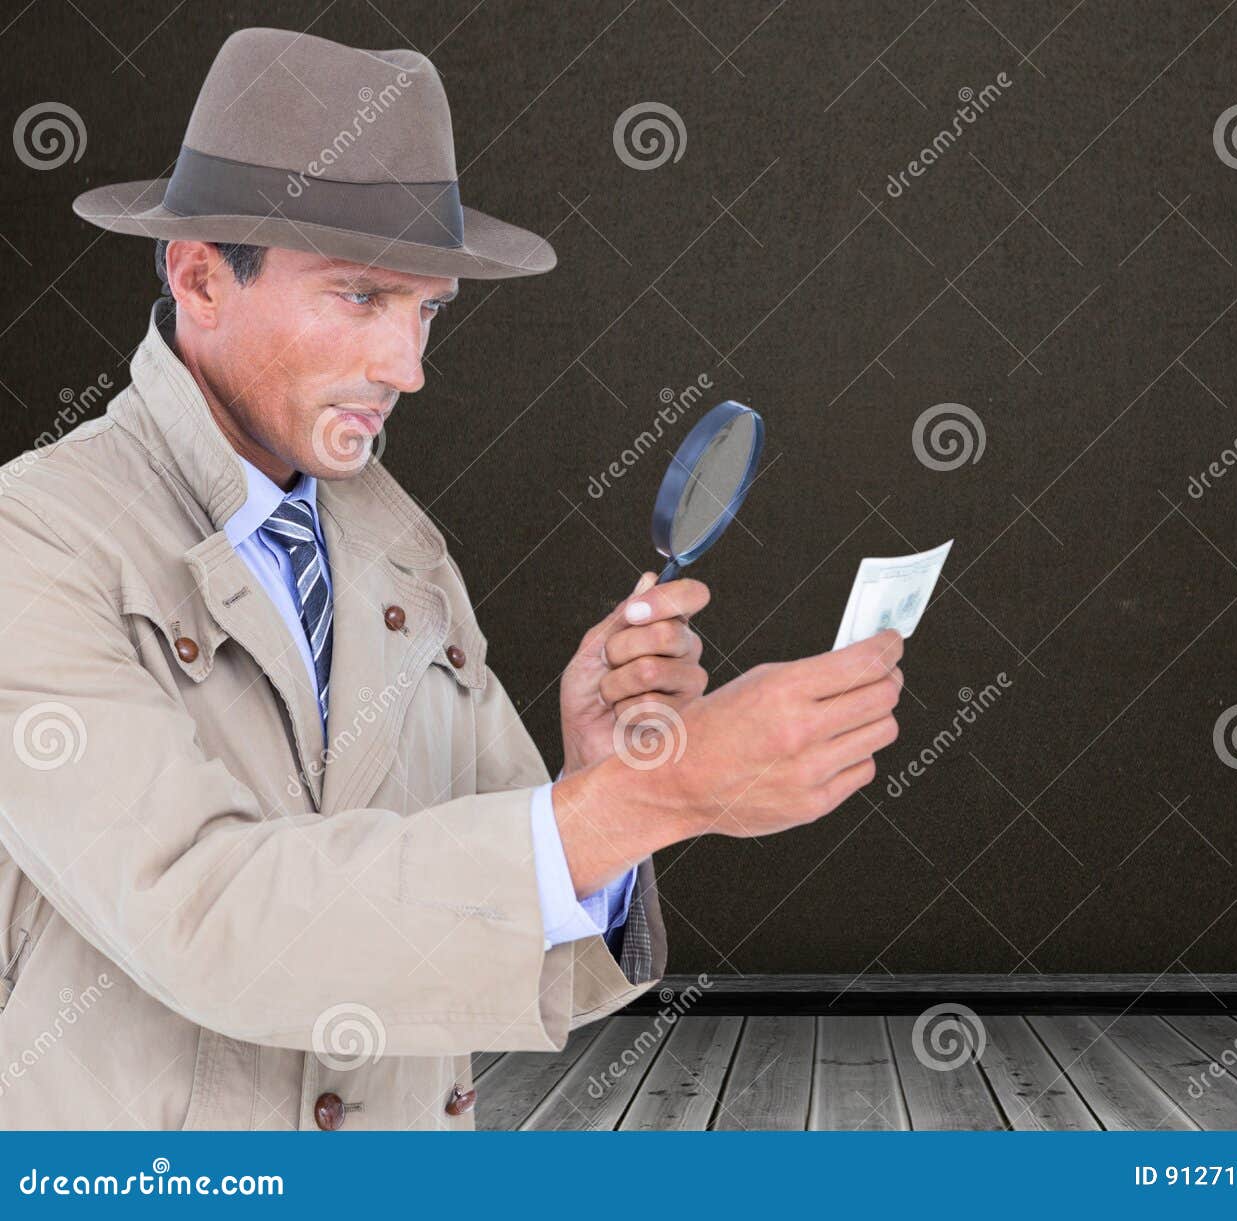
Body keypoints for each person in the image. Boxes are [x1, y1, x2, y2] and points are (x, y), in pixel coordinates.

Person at [0, 26, 902, 1130]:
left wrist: (602, 783)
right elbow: (203, 915)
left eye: (427, 311)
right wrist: (638, 800)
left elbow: (515, 949)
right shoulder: (33, 539)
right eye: (362, 297)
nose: (409, 368)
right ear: (198, 277)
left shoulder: (402, 555)